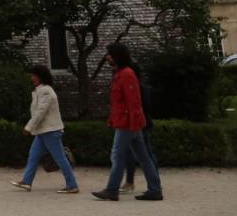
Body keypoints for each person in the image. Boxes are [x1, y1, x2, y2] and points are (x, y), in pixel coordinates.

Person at [92, 43, 163, 202]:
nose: (107, 57)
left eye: (109, 54)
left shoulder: (126, 74)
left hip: (127, 123)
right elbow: (121, 103)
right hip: (127, 122)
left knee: (117, 156)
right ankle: (155, 189)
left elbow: (134, 102)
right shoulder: (122, 73)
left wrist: (133, 124)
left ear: (116, 56)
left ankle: (112, 190)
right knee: (143, 157)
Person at [10, 64, 79, 194]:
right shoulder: (42, 90)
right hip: (44, 131)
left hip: (50, 131)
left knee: (60, 158)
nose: (32, 78)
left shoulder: (45, 91)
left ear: (40, 77)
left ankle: (72, 185)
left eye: (34, 75)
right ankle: (26, 181)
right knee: (33, 156)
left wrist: (29, 127)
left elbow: (40, 112)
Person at [122, 61, 156, 194]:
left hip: (140, 124)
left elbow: (145, 107)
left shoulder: (139, 88)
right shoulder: (140, 87)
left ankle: (133, 182)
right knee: (142, 154)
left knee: (143, 154)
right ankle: (152, 181)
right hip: (140, 123)